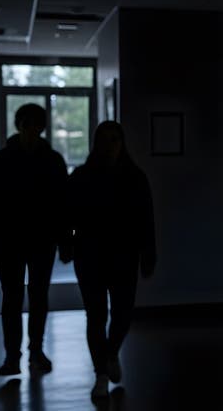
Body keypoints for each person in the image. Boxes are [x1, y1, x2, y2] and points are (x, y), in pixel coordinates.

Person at [67, 121, 156, 399]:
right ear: (97, 143)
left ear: (122, 143)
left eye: (115, 140)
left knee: (122, 314)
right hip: (91, 255)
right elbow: (68, 213)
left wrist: (148, 252)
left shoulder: (135, 178)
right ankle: (102, 372)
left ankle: (109, 354)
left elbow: (146, 219)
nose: (110, 145)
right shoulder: (82, 176)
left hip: (123, 255)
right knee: (96, 315)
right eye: (106, 140)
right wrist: (67, 243)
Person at [0, 103, 69, 376]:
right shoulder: (53, 161)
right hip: (40, 240)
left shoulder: (1, 160)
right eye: (30, 124)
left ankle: (14, 356)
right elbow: (63, 206)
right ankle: (34, 352)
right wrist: (65, 241)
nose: (31, 130)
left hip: (11, 241)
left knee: (13, 299)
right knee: (36, 297)